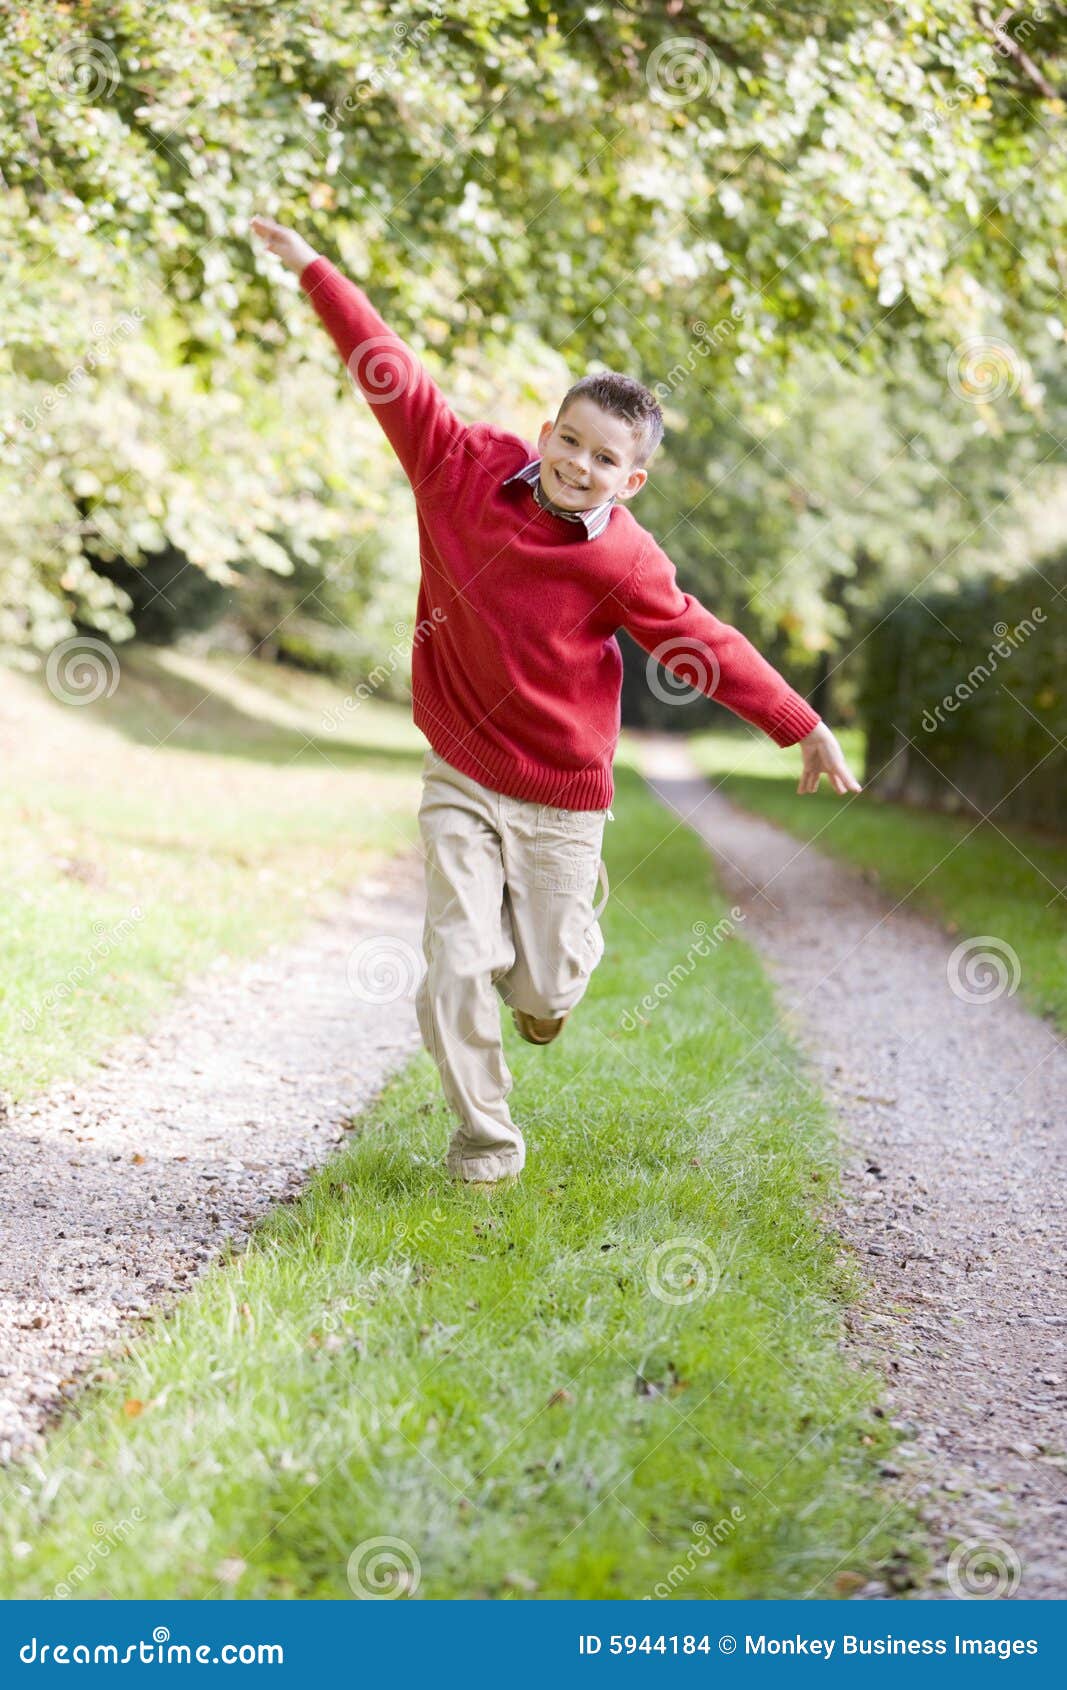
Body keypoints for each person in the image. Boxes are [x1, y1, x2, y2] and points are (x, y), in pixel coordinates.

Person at [249, 214, 862, 1188]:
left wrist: (802, 722)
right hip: (458, 766)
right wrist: (313, 268)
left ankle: (546, 975)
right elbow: (387, 365)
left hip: (563, 797)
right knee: (455, 960)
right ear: (544, 432)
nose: (578, 464)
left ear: (633, 478)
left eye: (602, 458)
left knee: (544, 984)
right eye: (567, 440)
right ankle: (485, 1150)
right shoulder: (457, 469)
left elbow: (703, 644)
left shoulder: (622, 557)